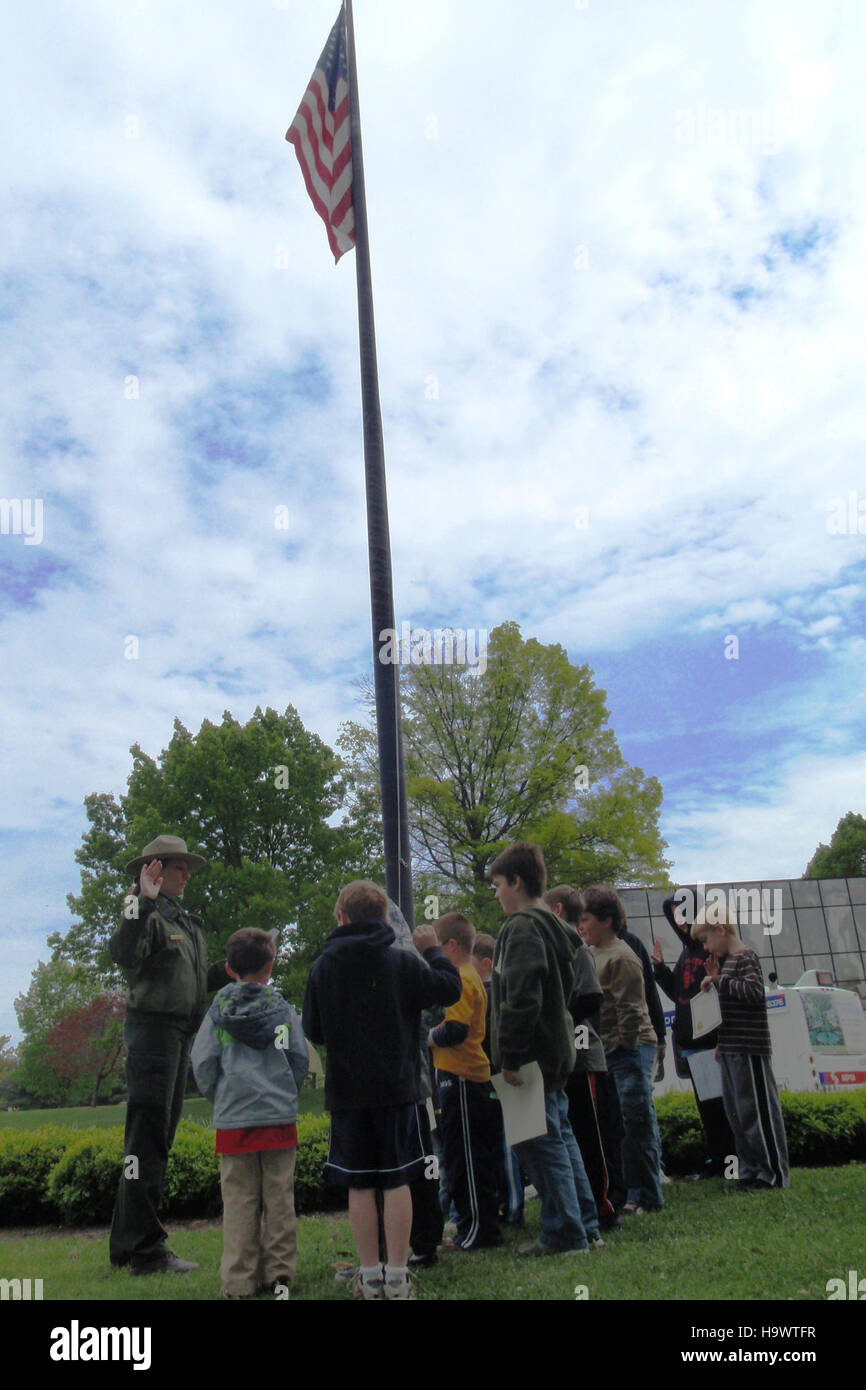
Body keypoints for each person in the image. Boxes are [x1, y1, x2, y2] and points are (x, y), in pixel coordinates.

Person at [302, 879, 461, 1300]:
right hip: (398, 1089)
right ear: (383, 917)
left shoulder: (322, 967)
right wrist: (432, 949)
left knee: (359, 1184)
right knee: (396, 1181)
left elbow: (312, 1029)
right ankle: (397, 1275)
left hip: (349, 1094)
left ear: (342, 916)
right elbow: (449, 989)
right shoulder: (403, 964)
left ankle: (369, 1278)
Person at [109, 834, 229, 1275]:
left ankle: (128, 1246)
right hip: (152, 1035)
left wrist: (227, 971)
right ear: (155, 869)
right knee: (147, 1141)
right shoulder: (137, 910)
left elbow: (191, 985)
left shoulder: (187, 922)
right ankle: (145, 1250)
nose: (186, 874)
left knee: (153, 1140)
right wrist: (141, 899)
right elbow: (121, 951)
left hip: (180, 1034)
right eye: (178, 867)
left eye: (186, 868)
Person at [488, 842, 602, 1256]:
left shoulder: (521, 928)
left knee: (540, 1142)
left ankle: (566, 1234)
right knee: (561, 1137)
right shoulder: (555, 928)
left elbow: (521, 998)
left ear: (516, 882)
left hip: (531, 1056)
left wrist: (512, 1056)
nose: (497, 893)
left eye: (498, 885)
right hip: (553, 1050)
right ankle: (585, 1225)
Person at [191, 927, 308, 1298]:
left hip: (234, 1120)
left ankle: (239, 1280)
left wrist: (218, 1093)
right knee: (279, 1200)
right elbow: (297, 1057)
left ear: (228, 968)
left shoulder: (217, 1013)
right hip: (277, 1118)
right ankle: (279, 1275)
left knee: (239, 1202)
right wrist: (288, 1088)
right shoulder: (282, 1011)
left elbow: (203, 1061)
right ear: (270, 967)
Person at [579, 886, 663, 1215]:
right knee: (620, 1127)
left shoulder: (622, 956)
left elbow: (630, 1010)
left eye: (586, 919)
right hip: (609, 1051)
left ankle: (649, 1197)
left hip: (630, 1049)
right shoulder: (591, 952)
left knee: (637, 1122)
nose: (582, 925)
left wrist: (619, 1048)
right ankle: (630, 1193)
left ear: (607, 920)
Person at [693, 908, 789, 1190]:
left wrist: (719, 980)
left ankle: (772, 1173)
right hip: (733, 1046)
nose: (706, 947)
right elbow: (730, 1010)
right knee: (738, 1112)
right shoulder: (729, 963)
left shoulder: (746, 957)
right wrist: (722, 1042)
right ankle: (750, 1171)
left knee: (757, 1111)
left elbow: (754, 993)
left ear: (721, 929)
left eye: (707, 939)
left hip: (750, 1047)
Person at [543, 886, 618, 1230]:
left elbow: (591, 997)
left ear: (557, 910)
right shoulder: (555, 949)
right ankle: (576, 1203)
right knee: (570, 1132)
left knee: (590, 1136)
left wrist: (554, 1016)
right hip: (564, 1059)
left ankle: (604, 1207)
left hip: (584, 1057)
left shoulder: (577, 949)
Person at [428, 913, 502, 1250]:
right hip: (461, 1077)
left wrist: (426, 1037)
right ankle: (468, 1227)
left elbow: (454, 1030)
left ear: (452, 945)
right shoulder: (468, 976)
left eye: (436, 947)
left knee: (467, 1161)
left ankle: (478, 1232)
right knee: (463, 1157)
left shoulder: (462, 978)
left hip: (462, 1077)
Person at [653, 888, 735, 1176]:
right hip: (692, 1043)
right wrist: (659, 969)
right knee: (708, 1106)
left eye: (684, 912)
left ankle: (728, 1164)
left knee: (719, 1106)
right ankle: (718, 1160)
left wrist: (721, 1039)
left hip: (710, 1041)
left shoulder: (709, 951)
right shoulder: (686, 954)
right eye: (676, 914)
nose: (680, 920)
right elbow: (679, 992)